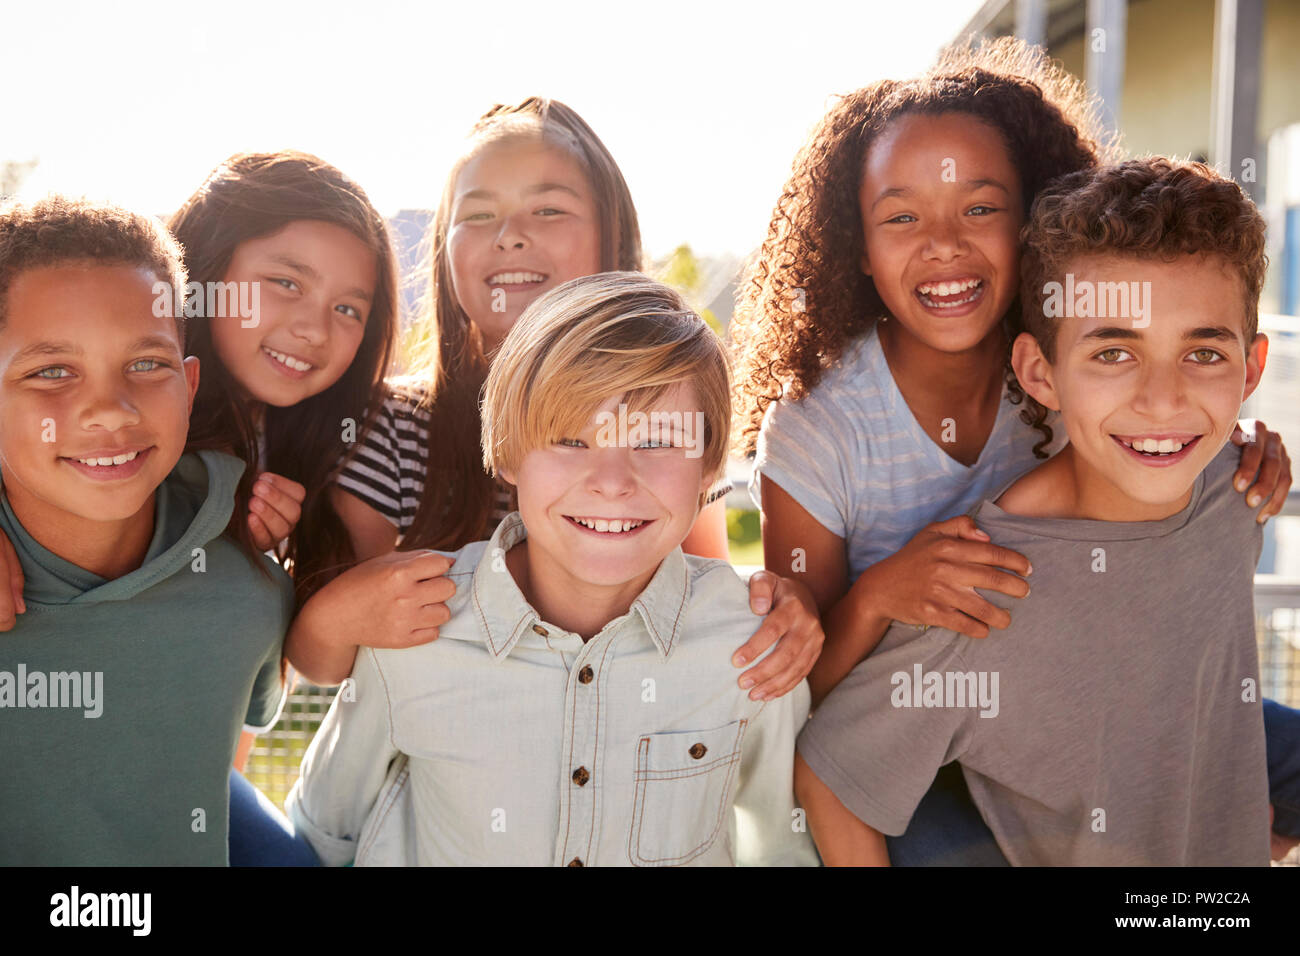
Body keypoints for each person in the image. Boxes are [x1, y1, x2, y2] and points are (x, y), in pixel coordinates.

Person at [731, 36, 1295, 864]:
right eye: (901, 216)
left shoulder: (1093, 358)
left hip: (1101, 707)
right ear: (855, 244)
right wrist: (884, 594)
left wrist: (1233, 446)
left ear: (1028, 222)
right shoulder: (821, 429)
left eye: (981, 208)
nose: (945, 242)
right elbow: (802, 690)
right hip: (921, 746)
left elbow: (1169, 399)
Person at [288, 97, 824, 706]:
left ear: (610, 236)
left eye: (547, 209)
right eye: (480, 214)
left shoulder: (667, 415)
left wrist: (779, 607)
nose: (511, 236)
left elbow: (708, 605)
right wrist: (334, 618)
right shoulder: (391, 428)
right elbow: (321, 660)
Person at [286, 273, 819, 866]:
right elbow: (325, 832)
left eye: (658, 441)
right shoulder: (414, 626)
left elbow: (781, 848)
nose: (613, 482)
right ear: (510, 451)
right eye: (570, 439)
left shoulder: (757, 648)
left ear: (712, 466)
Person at [0, 196, 292, 864]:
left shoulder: (249, 590)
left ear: (189, 389)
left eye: (147, 364)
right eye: (51, 371)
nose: (109, 410)